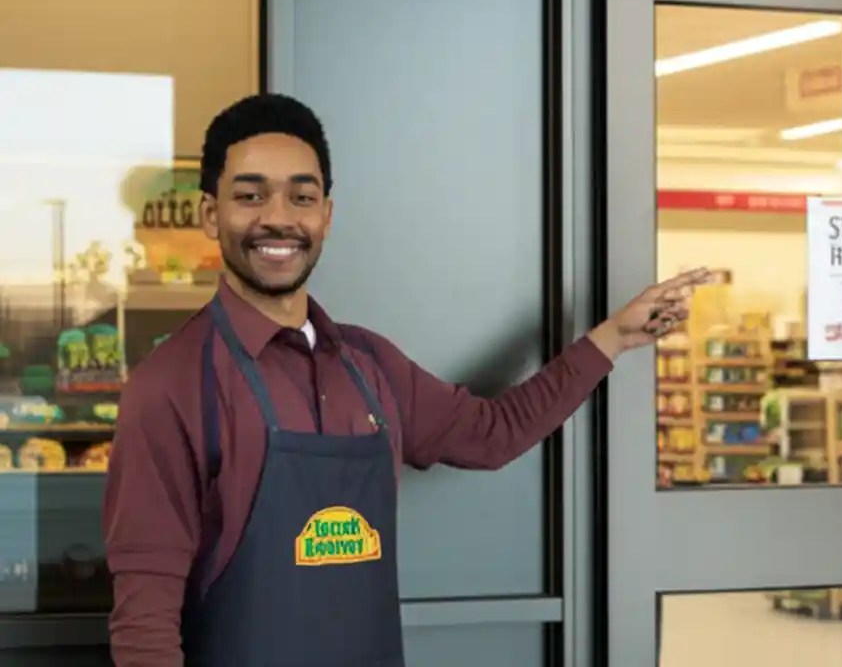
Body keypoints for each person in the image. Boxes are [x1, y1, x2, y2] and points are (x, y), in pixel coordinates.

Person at [102, 93, 708, 666]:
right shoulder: (173, 387)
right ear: (212, 214)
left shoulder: (368, 365)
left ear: (327, 216)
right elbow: (145, 620)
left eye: (301, 197)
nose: (278, 219)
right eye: (251, 196)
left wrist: (612, 340)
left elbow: (491, 435)